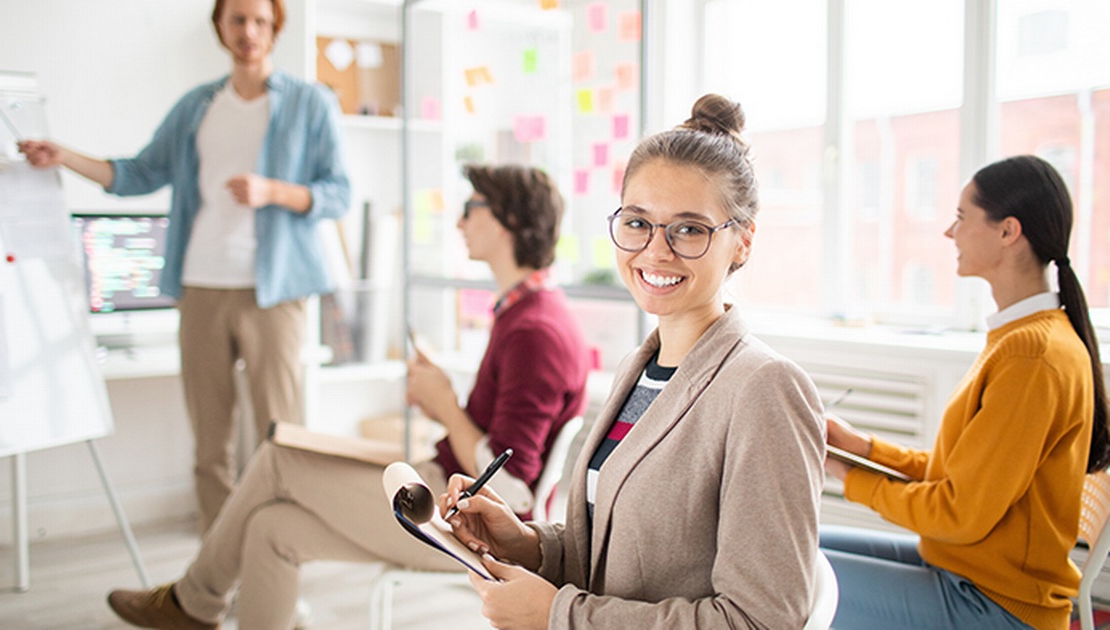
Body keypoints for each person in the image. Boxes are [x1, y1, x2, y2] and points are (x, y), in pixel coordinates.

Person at [104, 163, 591, 629]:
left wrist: (444, 403)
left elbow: (514, 492)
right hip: (444, 494)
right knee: (272, 528)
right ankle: (196, 605)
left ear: (508, 220)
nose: (461, 219)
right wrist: (441, 398)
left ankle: (193, 603)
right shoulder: (529, 313)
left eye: (472, 205)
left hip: (463, 527)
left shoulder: (535, 331)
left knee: (279, 461)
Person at [440, 94, 826, 628]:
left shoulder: (764, 389)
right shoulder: (639, 370)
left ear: (742, 242)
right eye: (638, 222)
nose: (656, 251)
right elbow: (613, 553)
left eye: (689, 229)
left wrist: (558, 615)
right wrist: (526, 543)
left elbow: (760, 620)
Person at [18, 0, 351, 533]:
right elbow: (137, 174)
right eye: (238, 19)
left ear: (275, 29)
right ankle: (214, 583)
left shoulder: (309, 104)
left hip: (277, 292)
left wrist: (273, 191)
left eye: (261, 21)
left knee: (283, 439)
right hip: (200, 288)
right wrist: (64, 156)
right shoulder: (197, 107)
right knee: (209, 444)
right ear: (220, 26)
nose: (249, 31)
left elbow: (338, 195)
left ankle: (277, 573)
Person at [820, 155, 1110, 630]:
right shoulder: (1023, 338)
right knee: (794, 552)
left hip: (997, 604)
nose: (949, 233)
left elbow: (959, 513)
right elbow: (958, 479)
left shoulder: (1032, 357)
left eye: (960, 217)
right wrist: (860, 450)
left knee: (788, 578)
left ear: (1007, 231)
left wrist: (850, 478)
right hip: (966, 569)